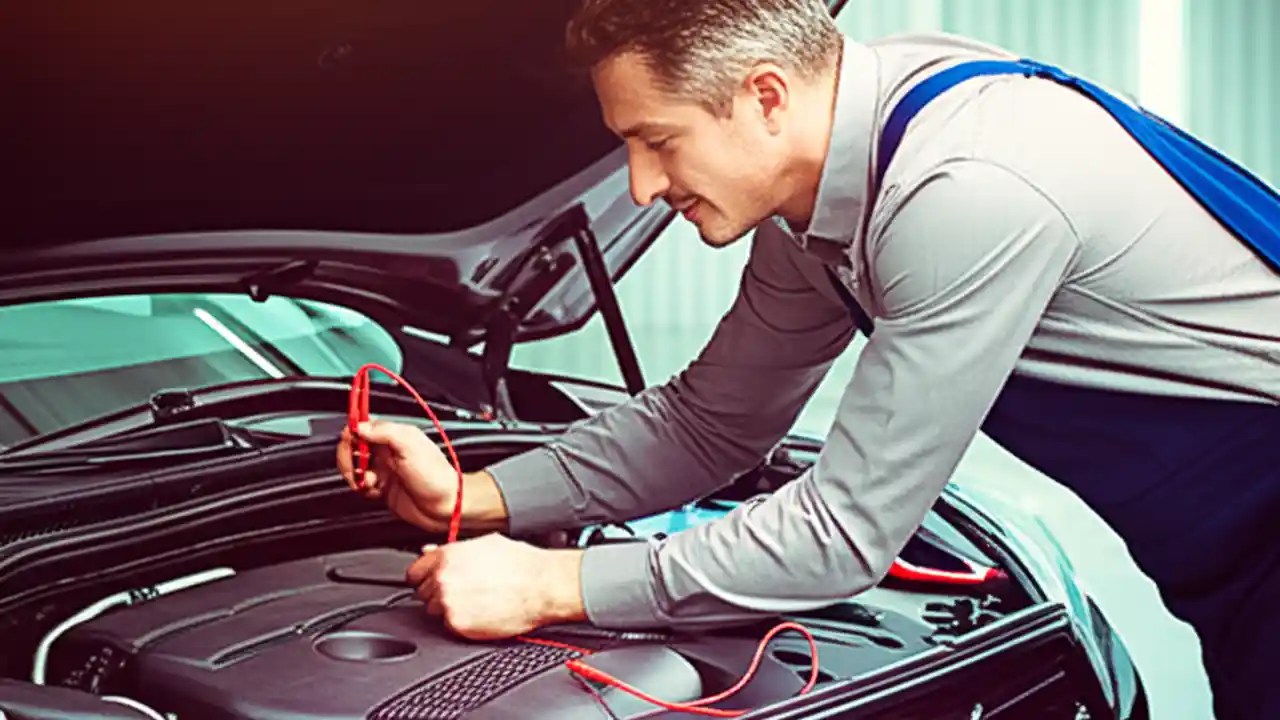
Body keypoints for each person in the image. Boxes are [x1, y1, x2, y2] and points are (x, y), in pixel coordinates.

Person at [335, 1, 1280, 717]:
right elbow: (709, 423)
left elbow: (844, 531)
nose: (642, 185)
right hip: (1228, 557)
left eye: (657, 141)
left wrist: (551, 586)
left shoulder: (966, 188)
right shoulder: (830, 186)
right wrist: (473, 497)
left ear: (764, 96)